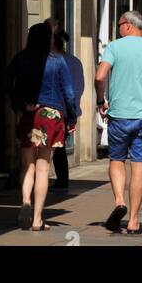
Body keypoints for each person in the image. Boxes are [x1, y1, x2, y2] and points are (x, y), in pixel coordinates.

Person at [95, 10, 142, 236]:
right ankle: (134, 221)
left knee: (117, 160)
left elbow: (99, 77)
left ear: (127, 25)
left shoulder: (115, 47)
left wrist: (101, 100)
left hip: (118, 116)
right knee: (139, 165)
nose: (118, 28)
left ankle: (119, 201)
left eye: (119, 24)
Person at [6, 21, 78, 232]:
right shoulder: (57, 62)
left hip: (29, 114)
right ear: (49, 39)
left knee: (27, 165)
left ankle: (26, 201)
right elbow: (70, 93)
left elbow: (5, 80)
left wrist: (18, 104)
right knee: (43, 168)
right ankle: (37, 218)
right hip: (52, 115)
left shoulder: (20, 58)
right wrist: (71, 117)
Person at [51, 30, 85, 191]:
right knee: (59, 146)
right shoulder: (75, 62)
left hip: (56, 109)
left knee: (56, 147)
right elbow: (79, 89)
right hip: (69, 110)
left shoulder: (53, 62)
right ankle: (62, 179)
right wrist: (74, 113)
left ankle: (61, 180)